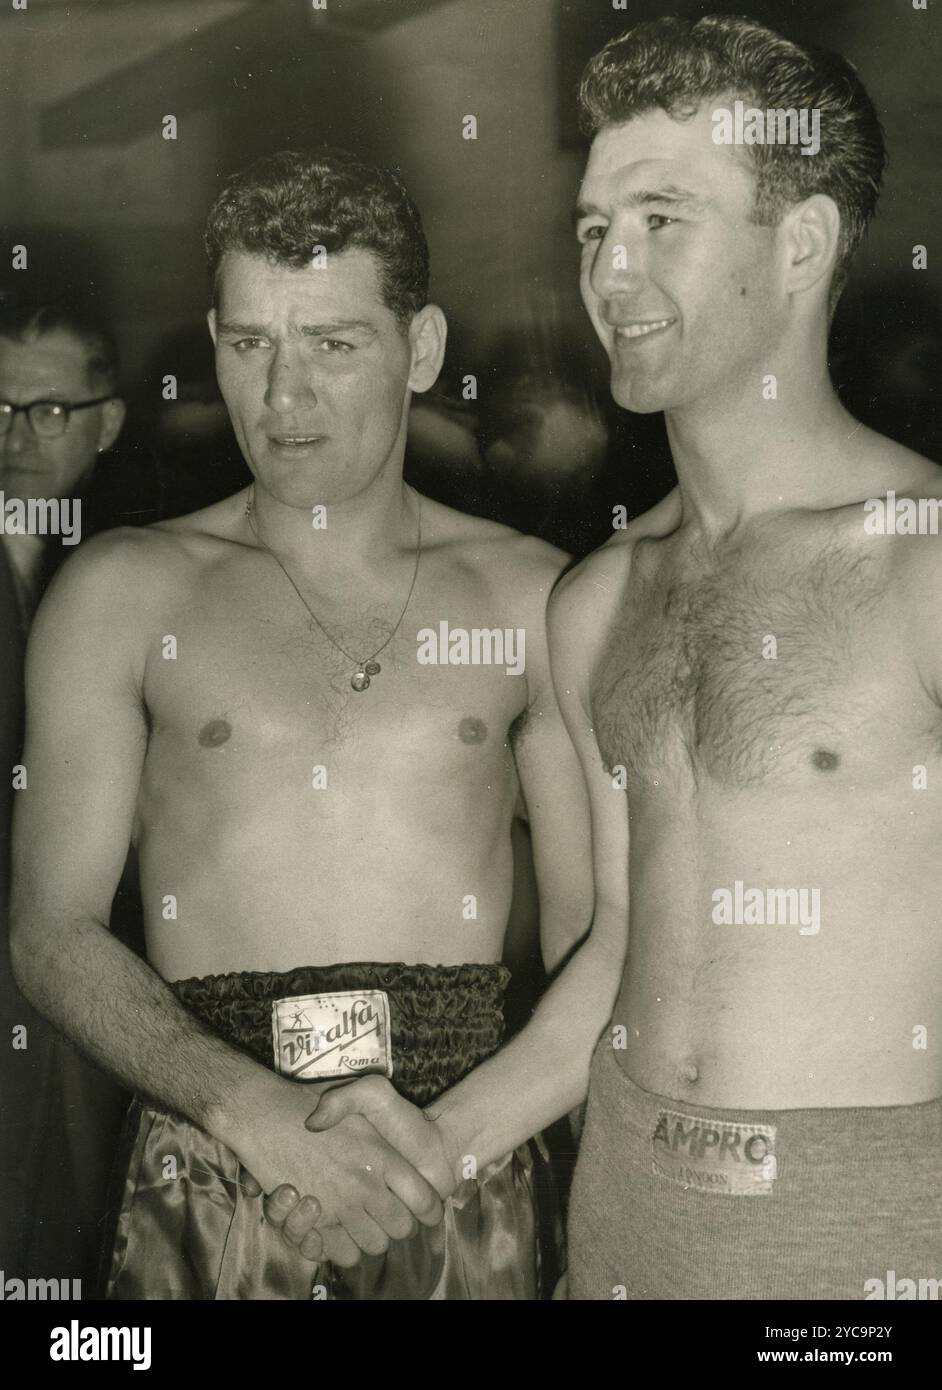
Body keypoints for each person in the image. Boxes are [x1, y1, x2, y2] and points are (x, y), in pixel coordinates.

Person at [302, 15, 942, 1300]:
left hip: (865, 1220)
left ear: (802, 243)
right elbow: (617, 950)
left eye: (664, 219)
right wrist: (424, 1158)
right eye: (595, 228)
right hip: (630, 1200)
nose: (609, 270)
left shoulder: (924, 566)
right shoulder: (597, 600)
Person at [10, 149, 591, 1300]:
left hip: (464, 1175)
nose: (284, 398)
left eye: (332, 343)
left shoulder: (538, 598)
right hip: (212, 1176)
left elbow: (599, 946)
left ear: (419, 349)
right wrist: (249, 1109)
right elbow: (48, 929)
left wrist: (443, 1154)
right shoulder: (123, 591)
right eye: (250, 344)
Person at [0, 297, 127, 1288]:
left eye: (47, 411)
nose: (15, 438)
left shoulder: (115, 564)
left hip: (72, 986)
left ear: (106, 423)